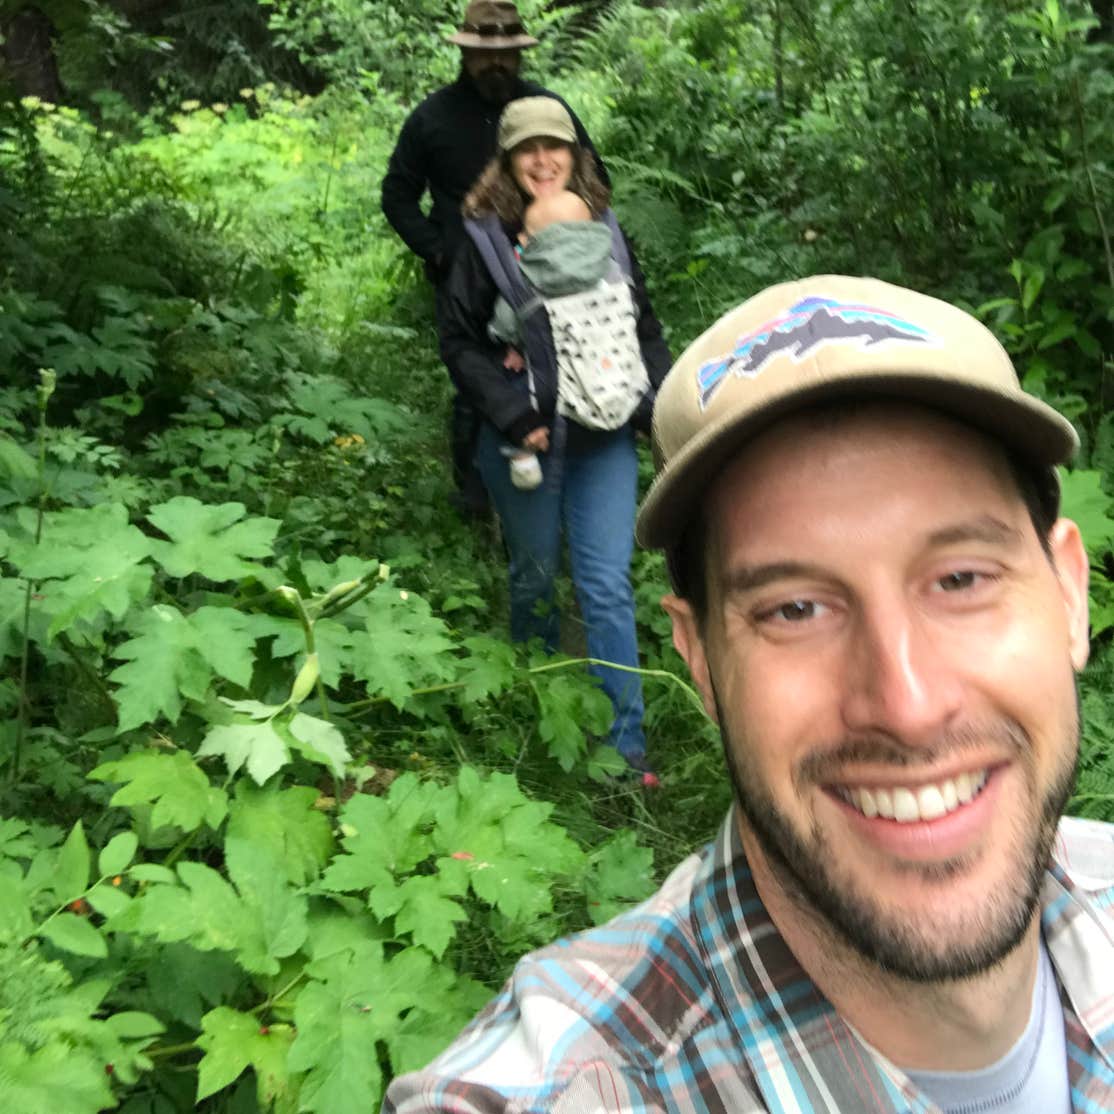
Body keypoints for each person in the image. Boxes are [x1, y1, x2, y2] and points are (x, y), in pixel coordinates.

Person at [383, 275, 1114, 1112]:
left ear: (1067, 592)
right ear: (700, 661)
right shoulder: (578, 1083)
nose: (908, 706)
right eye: (795, 609)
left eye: (960, 578)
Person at [440, 96, 672, 778]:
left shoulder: (604, 229)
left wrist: (654, 405)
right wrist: (514, 416)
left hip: (602, 437)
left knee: (605, 584)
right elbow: (458, 340)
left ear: (576, 154)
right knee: (535, 577)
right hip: (524, 441)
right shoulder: (481, 239)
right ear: (508, 162)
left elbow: (643, 327)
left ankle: (625, 747)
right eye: (527, 149)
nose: (543, 160)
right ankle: (539, 715)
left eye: (556, 146)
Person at [380, 0, 606, 516]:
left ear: (520, 54)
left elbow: (595, 180)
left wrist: (579, 245)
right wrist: (438, 251)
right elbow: (397, 194)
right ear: (466, 54)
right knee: (474, 375)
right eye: (486, 54)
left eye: (506, 53)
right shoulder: (432, 118)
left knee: (561, 364)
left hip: (551, 271)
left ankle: (564, 475)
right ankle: (476, 493)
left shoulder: (547, 112)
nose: (496, 63)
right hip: (466, 276)